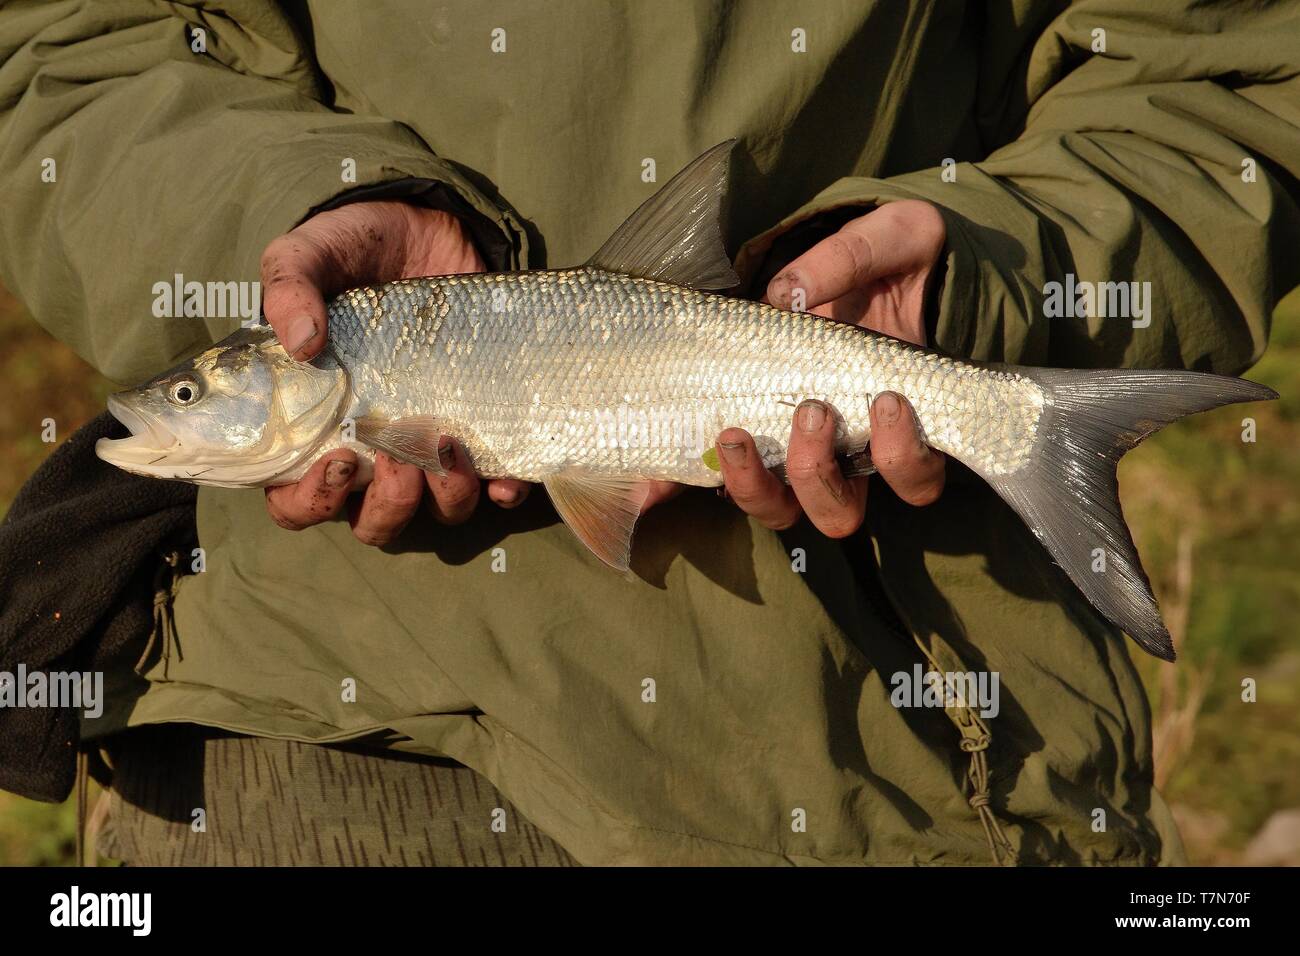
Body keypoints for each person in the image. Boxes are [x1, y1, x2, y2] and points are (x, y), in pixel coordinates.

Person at [1, 0, 1296, 865]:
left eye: (189, 399)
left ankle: (1020, 429)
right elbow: (70, 52)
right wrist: (308, 205)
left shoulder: (373, 384)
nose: (171, 409)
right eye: (191, 397)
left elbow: (1231, 75)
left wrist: (984, 281)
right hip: (305, 736)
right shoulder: (355, 365)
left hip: (890, 763)